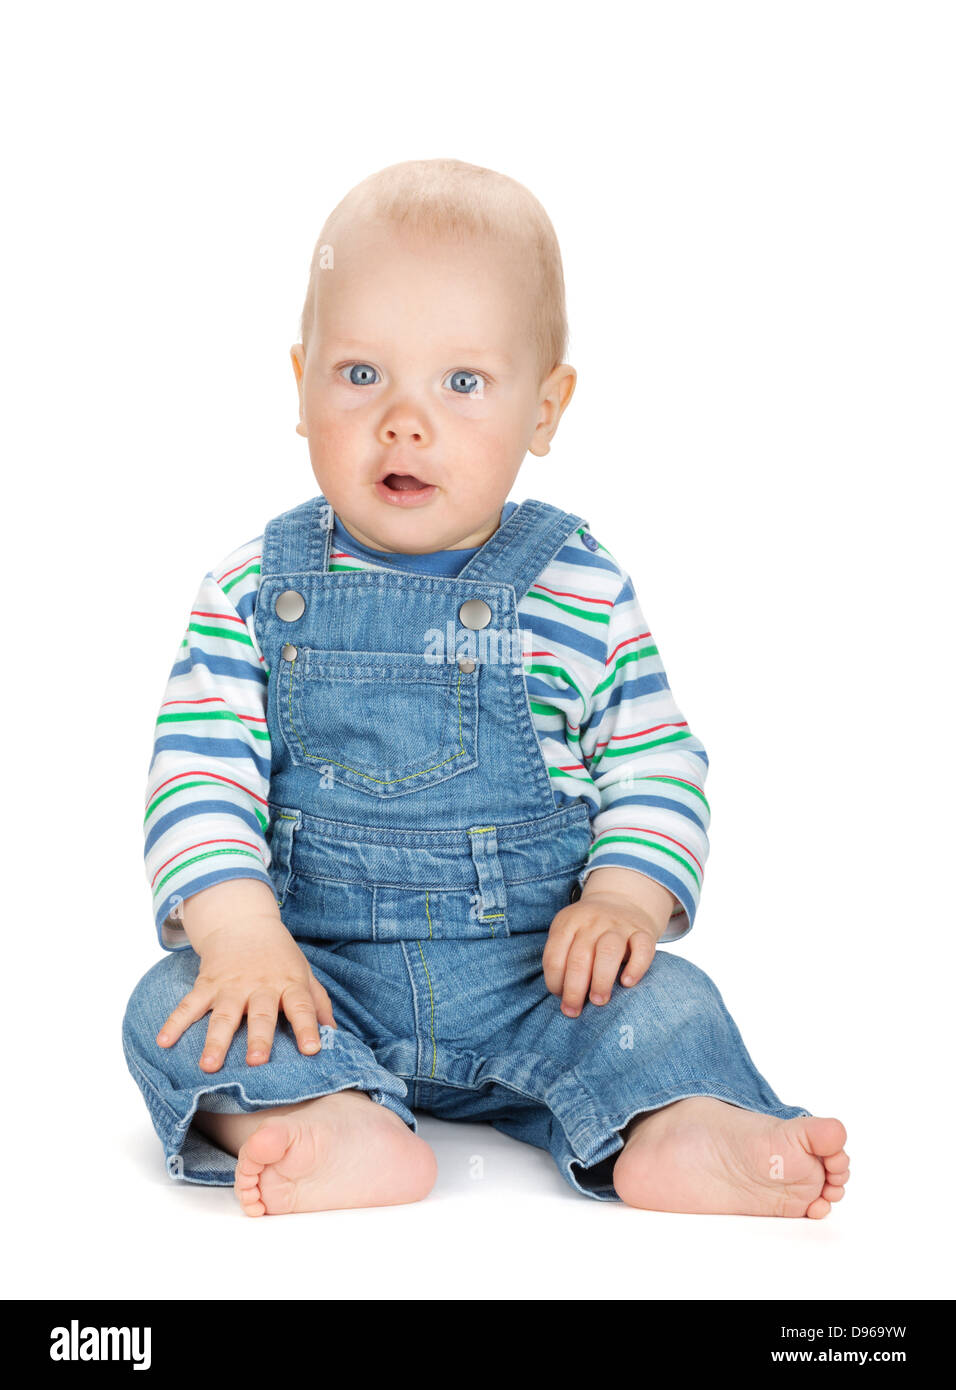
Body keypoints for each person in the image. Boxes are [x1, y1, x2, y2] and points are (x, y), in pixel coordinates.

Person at [123, 158, 850, 1218]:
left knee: (670, 1004)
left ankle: (678, 1125)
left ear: (545, 407)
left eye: (461, 383)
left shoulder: (577, 584)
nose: (403, 421)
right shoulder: (250, 589)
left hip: (540, 986)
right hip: (317, 981)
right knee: (168, 1006)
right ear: (299, 381)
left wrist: (623, 897)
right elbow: (197, 772)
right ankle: (319, 1116)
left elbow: (655, 759)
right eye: (361, 374)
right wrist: (239, 933)